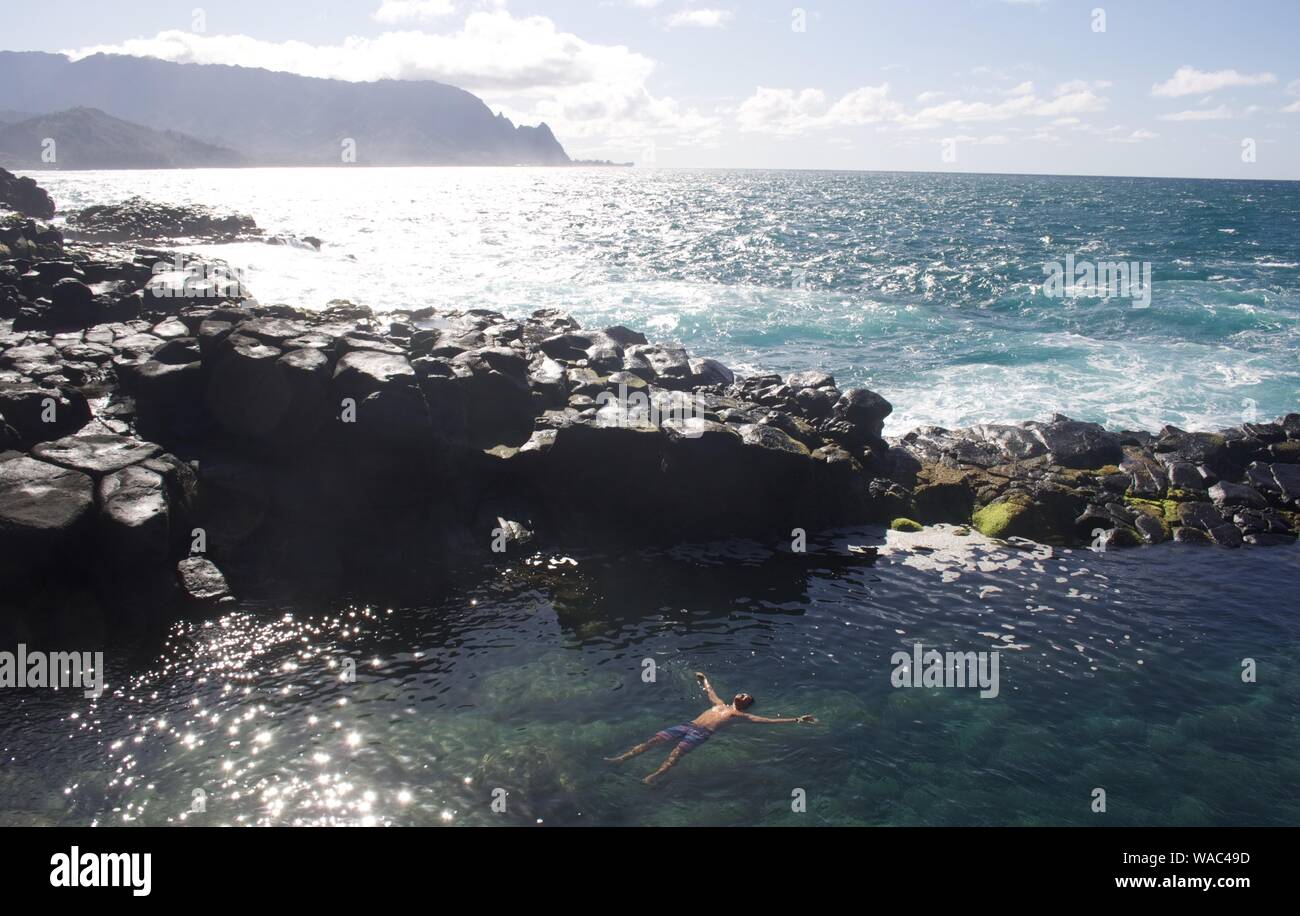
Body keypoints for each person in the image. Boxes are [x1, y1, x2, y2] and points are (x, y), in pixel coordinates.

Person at [606, 671, 818, 784]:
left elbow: (769, 721)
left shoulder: (740, 715)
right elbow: (710, 692)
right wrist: (704, 679)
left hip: (701, 733)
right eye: (742, 692)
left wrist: (797, 719)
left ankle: (654, 776)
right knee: (654, 739)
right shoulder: (720, 704)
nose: (741, 693)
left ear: (746, 703)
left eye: (745, 696)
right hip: (688, 725)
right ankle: (622, 758)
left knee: (675, 754)